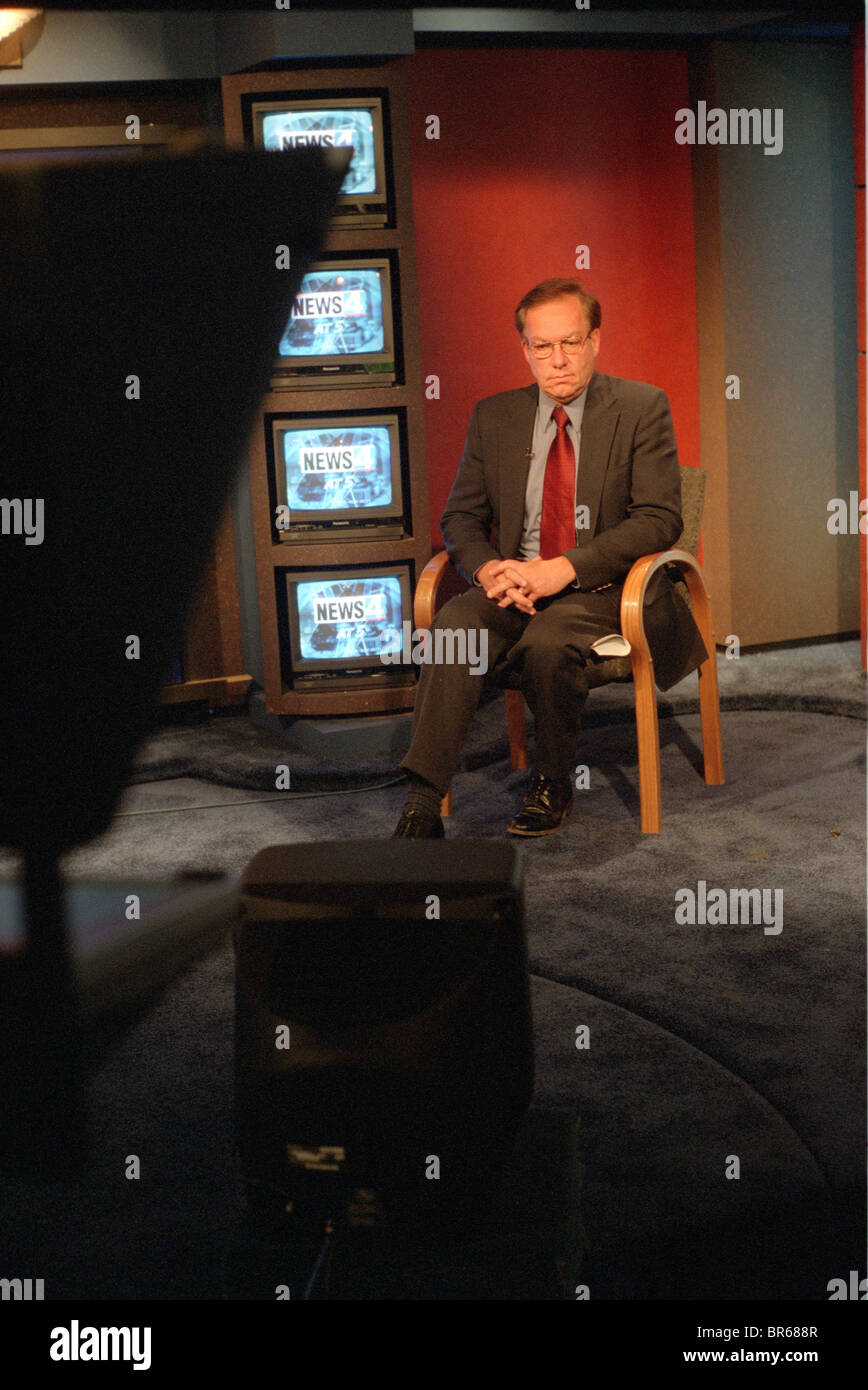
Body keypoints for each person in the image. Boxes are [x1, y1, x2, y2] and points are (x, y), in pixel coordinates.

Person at [392, 277, 706, 838]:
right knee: (454, 624)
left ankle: (553, 779)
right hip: (518, 584)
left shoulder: (640, 407)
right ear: (525, 350)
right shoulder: (495, 417)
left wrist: (564, 568)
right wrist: (490, 569)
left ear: (595, 341)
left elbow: (660, 520)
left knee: (546, 642)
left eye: (571, 342)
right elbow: (460, 519)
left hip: (610, 587)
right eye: (543, 346)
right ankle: (423, 797)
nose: (557, 360)